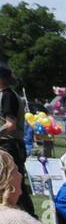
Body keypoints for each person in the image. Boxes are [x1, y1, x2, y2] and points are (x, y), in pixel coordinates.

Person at [0, 65, 35, 215]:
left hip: (9, 146)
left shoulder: (7, 96)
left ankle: (29, 220)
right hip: (11, 145)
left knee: (12, 185)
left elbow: (10, 124)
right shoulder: (7, 94)